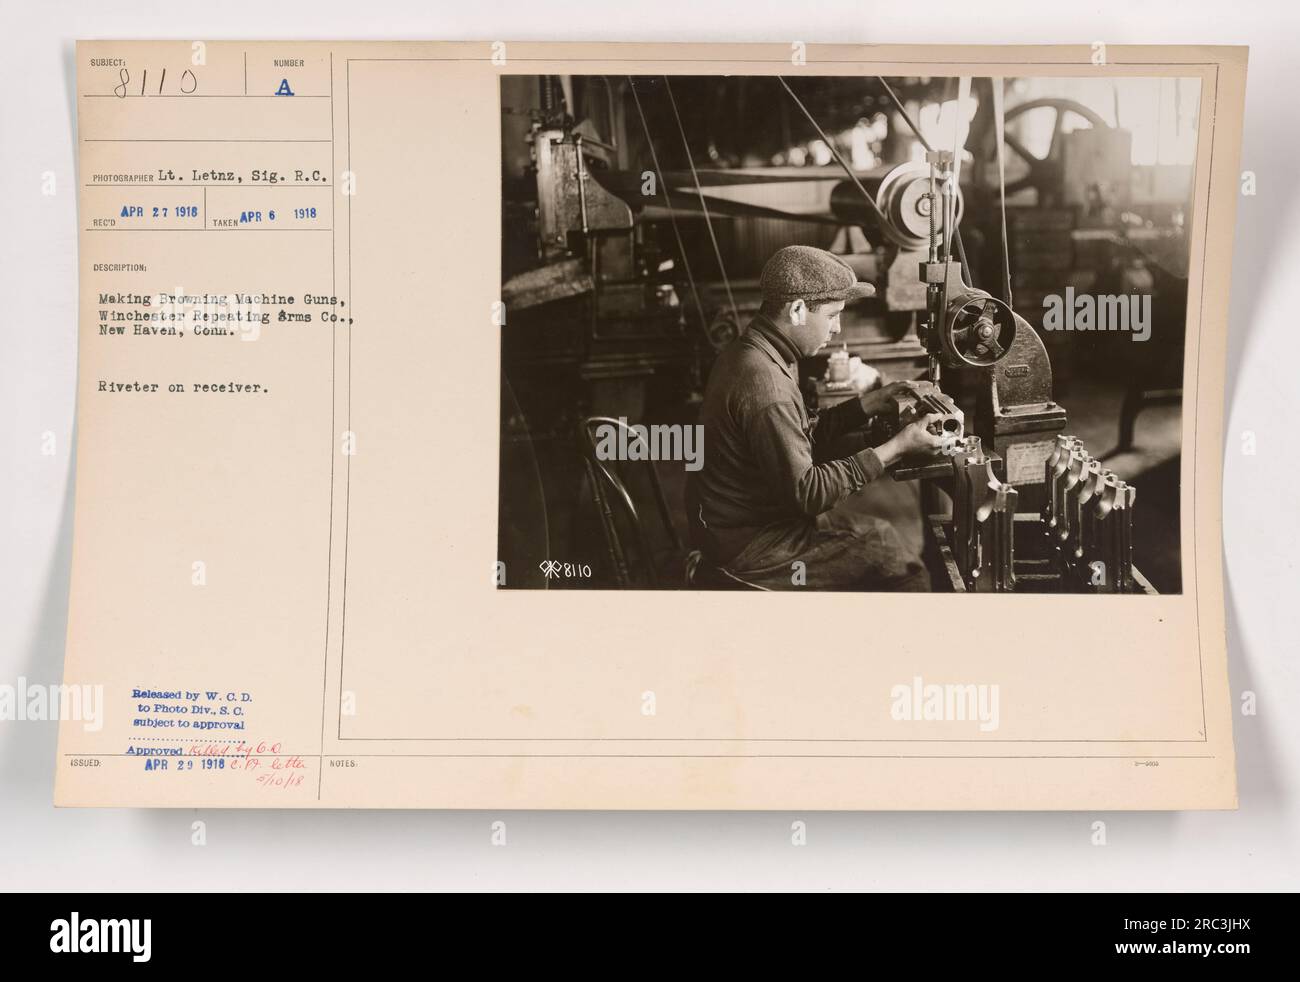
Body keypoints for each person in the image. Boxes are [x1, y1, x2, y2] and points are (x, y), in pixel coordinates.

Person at [687, 245, 944, 590]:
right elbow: (808, 494)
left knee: (880, 536)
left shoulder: (752, 351)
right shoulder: (766, 385)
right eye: (832, 314)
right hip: (751, 545)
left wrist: (869, 403)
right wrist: (897, 447)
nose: (837, 328)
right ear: (796, 310)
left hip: (734, 525)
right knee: (900, 563)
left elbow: (801, 435)